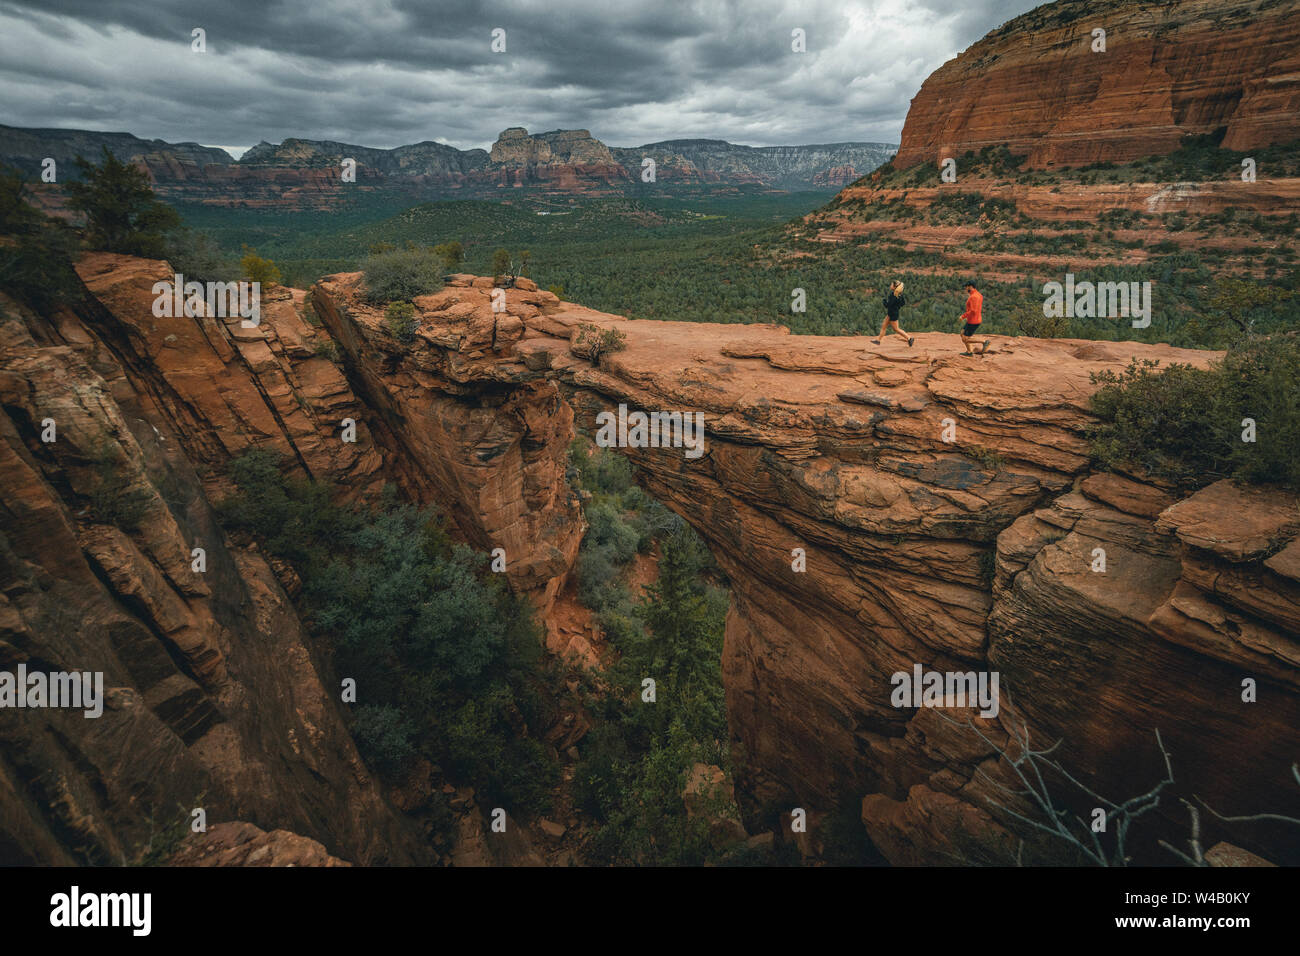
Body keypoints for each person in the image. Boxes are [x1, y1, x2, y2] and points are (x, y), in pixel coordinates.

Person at [872, 280, 914, 347]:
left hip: (893, 315)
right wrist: (897, 307)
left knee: (896, 329)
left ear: (894, 287)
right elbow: (903, 303)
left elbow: (887, 305)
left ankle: (909, 338)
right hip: (892, 313)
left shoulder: (894, 295)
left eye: (891, 285)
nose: (890, 285)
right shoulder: (899, 294)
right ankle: (878, 341)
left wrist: (884, 301)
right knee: (884, 326)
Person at [958, 281, 990, 356]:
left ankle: (984, 341)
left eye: (966, 287)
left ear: (970, 286)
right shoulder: (978, 295)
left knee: (965, 339)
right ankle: (969, 352)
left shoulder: (974, 297)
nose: (965, 288)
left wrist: (963, 316)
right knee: (962, 333)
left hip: (973, 321)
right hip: (973, 319)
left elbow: (973, 311)